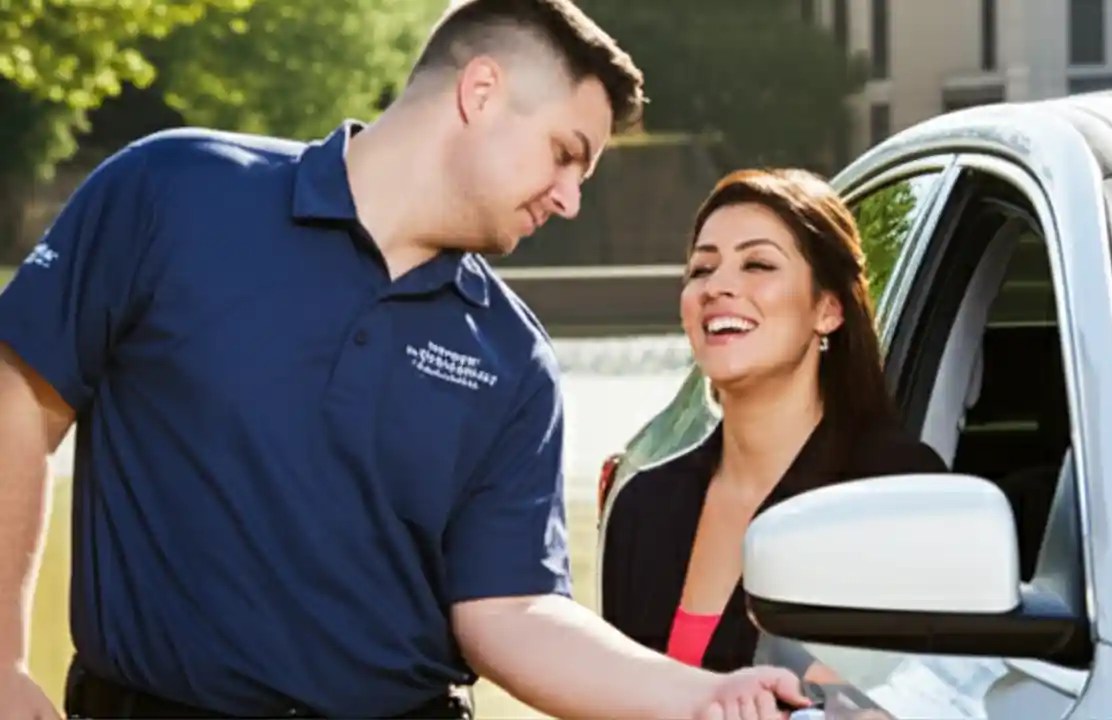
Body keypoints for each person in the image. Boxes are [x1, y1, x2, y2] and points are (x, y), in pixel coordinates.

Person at [0, 1, 811, 718]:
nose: (570, 198)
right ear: (481, 92)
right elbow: (19, 401)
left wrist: (702, 695)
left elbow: (511, 610)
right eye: (566, 153)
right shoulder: (172, 190)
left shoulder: (512, 357)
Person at [600, 168, 949, 675]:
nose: (718, 287)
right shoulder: (642, 506)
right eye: (701, 270)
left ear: (827, 310)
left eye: (758, 264)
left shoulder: (897, 492)